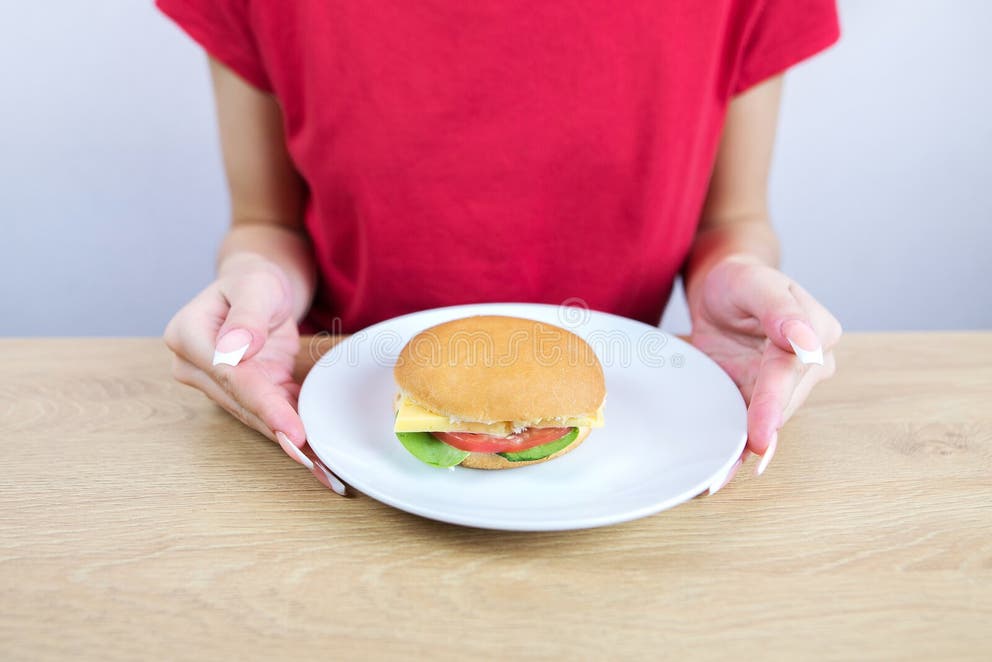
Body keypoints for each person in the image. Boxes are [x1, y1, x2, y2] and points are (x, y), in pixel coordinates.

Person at [160, 0, 843, 483]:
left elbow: (732, 221)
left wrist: (739, 276)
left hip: (634, 446)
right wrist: (255, 293)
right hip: (329, 424)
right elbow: (268, 223)